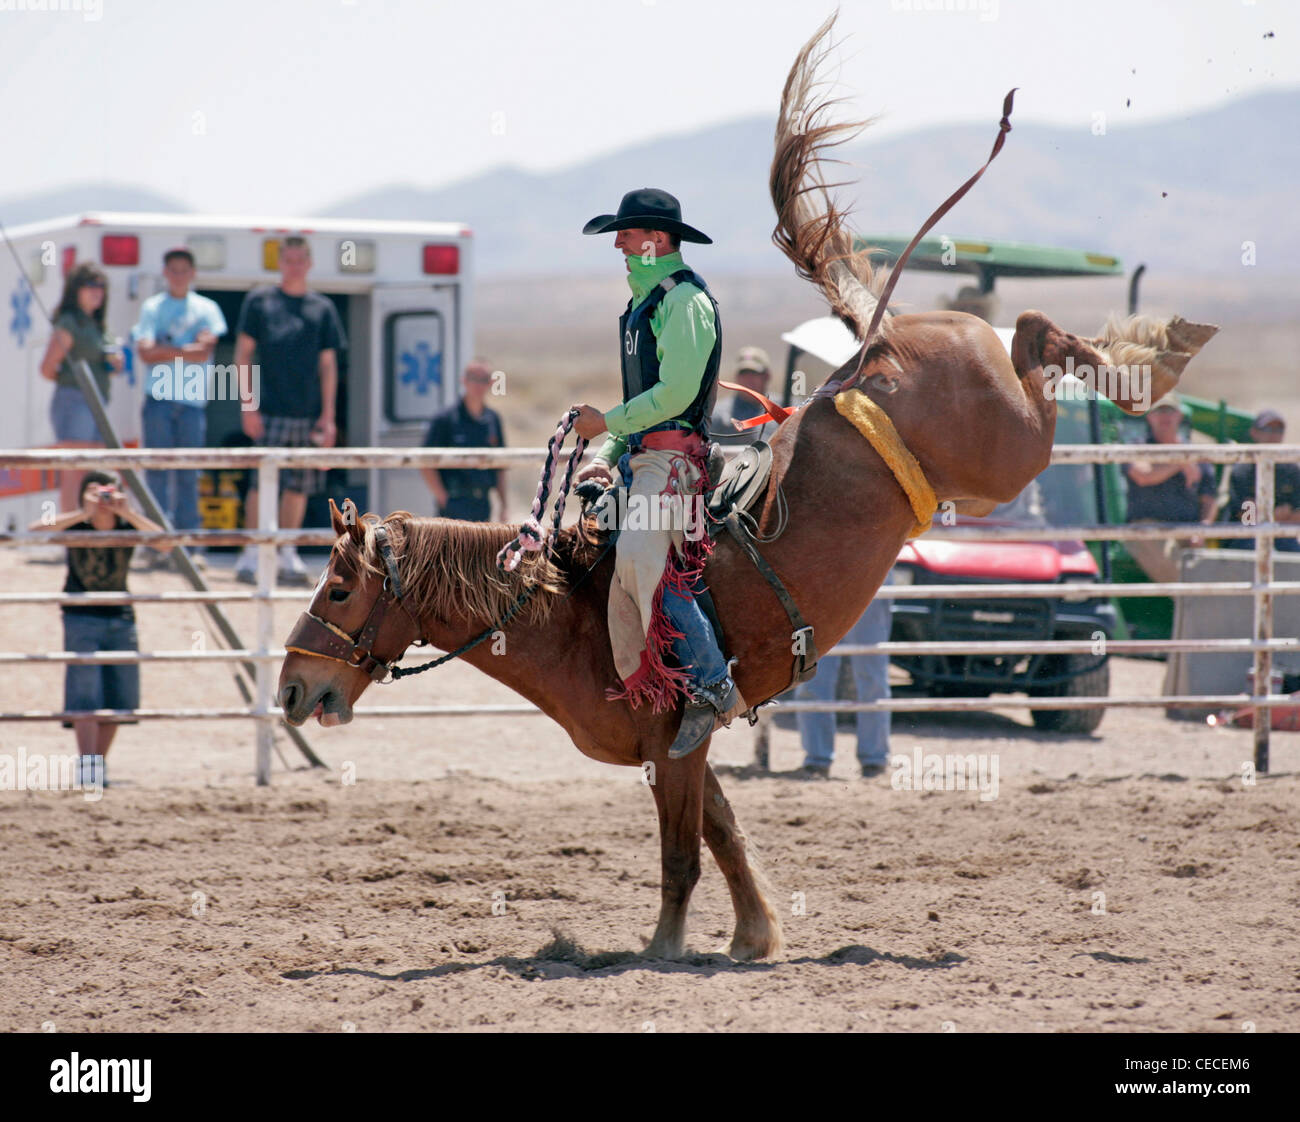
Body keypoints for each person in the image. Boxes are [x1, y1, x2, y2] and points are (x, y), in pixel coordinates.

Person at [571, 188, 738, 759]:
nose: (618, 243)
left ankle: (714, 684)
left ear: (657, 241)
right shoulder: (647, 304)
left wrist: (608, 422)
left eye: (627, 232)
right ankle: (649, 694)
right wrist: (603, 453)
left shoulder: (683, 302)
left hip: (673, 463)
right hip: (643, 457)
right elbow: (647, 401)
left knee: (642, 557)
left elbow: (678, 394)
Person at [31, 471, 173, 789]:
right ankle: (89, 765)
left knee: (118, 695)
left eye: (108, 493)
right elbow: (33, 532)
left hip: (120, 615)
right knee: (85, 694)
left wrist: (128, 512)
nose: (103, 501)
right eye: (95, 493)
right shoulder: (76, 526)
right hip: (80, 615)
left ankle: (98, 764)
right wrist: (83, 512)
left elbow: (166, 544)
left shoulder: (126, 526)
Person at [231, 236, 346, 585]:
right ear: (279, 263)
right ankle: (253, 551)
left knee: (300, 485)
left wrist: (328, 416)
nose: (294, 265)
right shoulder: (260, 302)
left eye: (300, 259)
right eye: (288, 259)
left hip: (309, 413)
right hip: (269, 411)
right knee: (260, 481)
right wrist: (248, 405)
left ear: (309, 264)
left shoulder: (322, 308)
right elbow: (242, 354)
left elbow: (329, 365)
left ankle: (286, 551)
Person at [133, 247, 228, 569]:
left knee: (189, 473)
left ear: (192, 273)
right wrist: (186, 349)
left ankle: (189, 544)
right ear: (165, 273)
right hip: (158, 400)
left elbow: (205, 351)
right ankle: (157, 543)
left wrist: (164, 349)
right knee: (156, 473)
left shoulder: (207, 308)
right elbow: (144, 352)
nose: (178, 275)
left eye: (183, 270)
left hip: (191, 403)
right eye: (172, 269)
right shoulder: (152, 307)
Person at [38, 263, 124, 512]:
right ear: (76, 289)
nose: (97, 291)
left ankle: (89, 532)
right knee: (74, 472)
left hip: (98, 403)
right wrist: (72, 383)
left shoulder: (98, 325)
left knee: (95, 471)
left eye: (101, 286)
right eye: (91, 285)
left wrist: (115, 363)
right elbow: (47, 368)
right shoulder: (69, 323)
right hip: (74, 401)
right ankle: (71, 537)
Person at [796, 575, 892, 779]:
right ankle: (818, 759)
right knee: (813, 674)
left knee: (871, 674)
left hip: (868, 571)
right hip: (822, 575)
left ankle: (873, 759)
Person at [1122, 392, 1217, 583]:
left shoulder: (1195, 452)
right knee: (1182, 580)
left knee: (1210, 573)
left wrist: (1203, 529)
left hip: (1188, 531)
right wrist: (1181, 462)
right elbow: (1144, 476)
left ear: (1179, 416)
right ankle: (1197, 606)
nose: (1165, 416)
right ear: (1149, 416)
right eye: (1159, 410)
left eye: (1170, 410)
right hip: (1146, 529)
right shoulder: (1137, 447)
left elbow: (1209, 498)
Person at [421, 359, 507, 521]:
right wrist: (443, 497)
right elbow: (425, 462)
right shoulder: (444, 419)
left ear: (491, 383)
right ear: (464, 380)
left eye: (484, 380)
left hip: (483, 504)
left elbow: (501, 467)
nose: (478, 385)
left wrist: (504, 505)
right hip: (453, 504)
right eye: (473, 378)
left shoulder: (493, 419)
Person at [1223, 409, 1300, 553]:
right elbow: (1247, 517)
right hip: (1246, 537)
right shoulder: (1242, 469)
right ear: (1254, 432)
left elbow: (1298, 514)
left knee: (1293, 553)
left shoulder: (1292, 469)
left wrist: (1263, 513)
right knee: (1251, 547)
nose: (1274, 434)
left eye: (1279, 429)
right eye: (1268, 428)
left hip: (1282, 536)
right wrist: (1277, 514)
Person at [711, 346, 778, 446]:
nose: (748, 379)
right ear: (736, 377)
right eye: (744, 373)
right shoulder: (719, 415)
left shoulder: (784, 410)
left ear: (767, 376)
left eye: (754, 373)